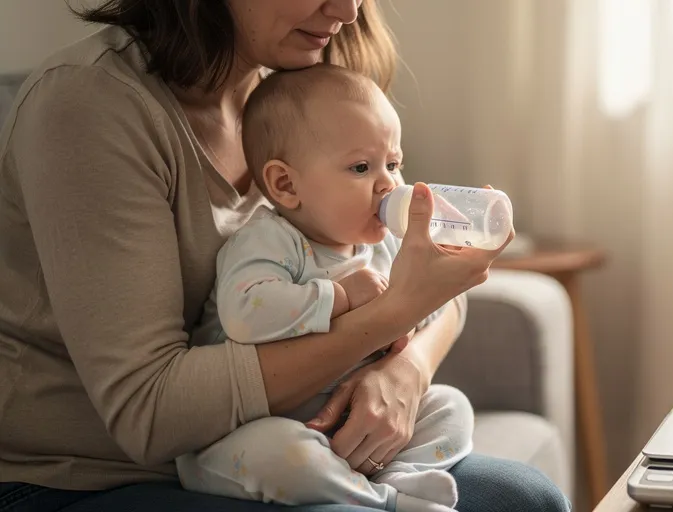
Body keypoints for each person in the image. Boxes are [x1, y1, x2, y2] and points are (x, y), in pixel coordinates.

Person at [0, 1, 571, 511]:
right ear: (282, 182)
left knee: (528, 498)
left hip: (302, 432)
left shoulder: (300, 94)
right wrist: (385, 316)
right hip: (91, 478)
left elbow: (434, 294)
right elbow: (148, 414)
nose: (348, 10)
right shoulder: (89, 106)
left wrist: (405, 371)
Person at [175, 64, 473, 512]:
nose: (389, 183)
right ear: (286, 184)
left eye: (394, 164)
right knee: (285, 457)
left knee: (451, 408)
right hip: (254, 430)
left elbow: (434, 307)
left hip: (349, 428)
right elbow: (245, 312)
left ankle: (397, 476)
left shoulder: (384, 245)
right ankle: (387, 501)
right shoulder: (271, 240)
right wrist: (341, 296)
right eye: (361, 167)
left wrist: (432, 276)